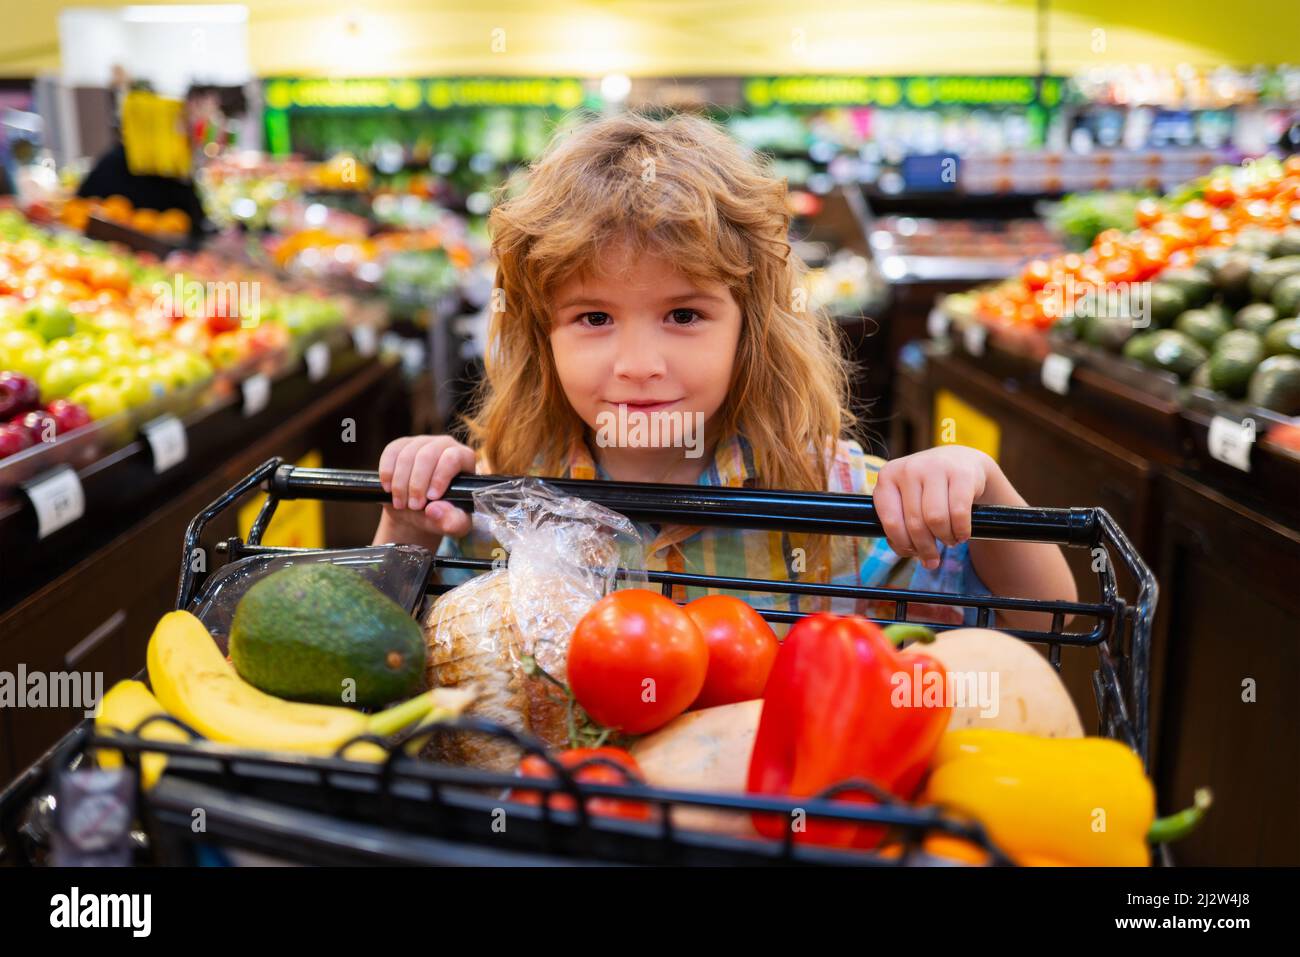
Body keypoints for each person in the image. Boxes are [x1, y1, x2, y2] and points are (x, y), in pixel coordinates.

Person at [372, 112, 1077, 630]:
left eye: (684, 315)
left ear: (751, 329)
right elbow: (386, 639)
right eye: (594, 318)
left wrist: (982, 489)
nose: (640, 366)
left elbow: (1048, 619)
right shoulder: (499, 503)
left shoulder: (836, 497)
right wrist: (409, 522)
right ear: (541, 337)